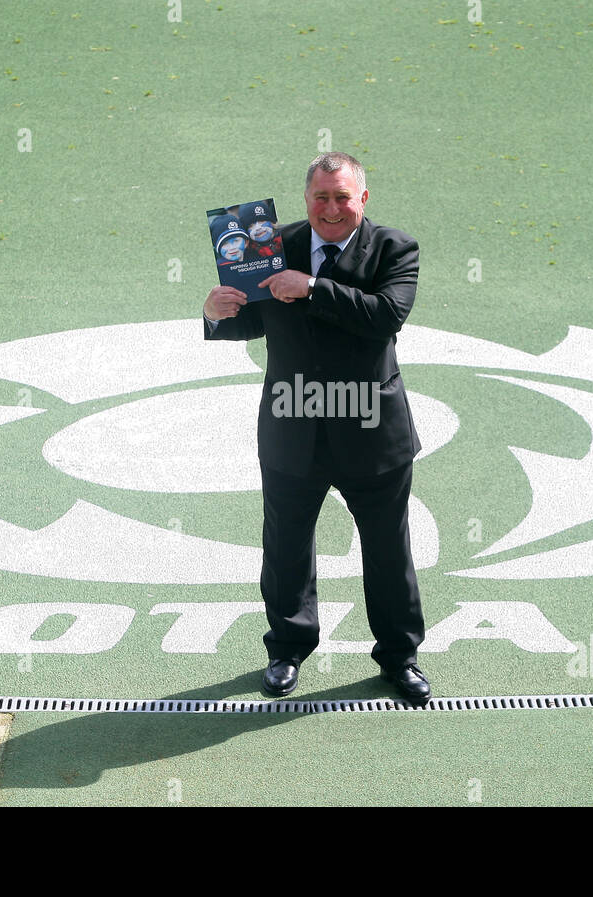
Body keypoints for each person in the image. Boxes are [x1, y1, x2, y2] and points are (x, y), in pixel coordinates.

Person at [201, 152, 430, 705]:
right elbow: (250, 321)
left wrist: (311, 287)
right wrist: (215, 312)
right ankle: (287, 650)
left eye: (342, 197)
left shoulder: (395, 249)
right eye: (320, 197)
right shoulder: (269, 245)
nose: (331, 208)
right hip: (292, 426)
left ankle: (399, 657)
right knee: (285, 546)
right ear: (305, 198)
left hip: (372, 430)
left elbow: (386, 316)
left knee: (388, 549)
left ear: (362, 199)